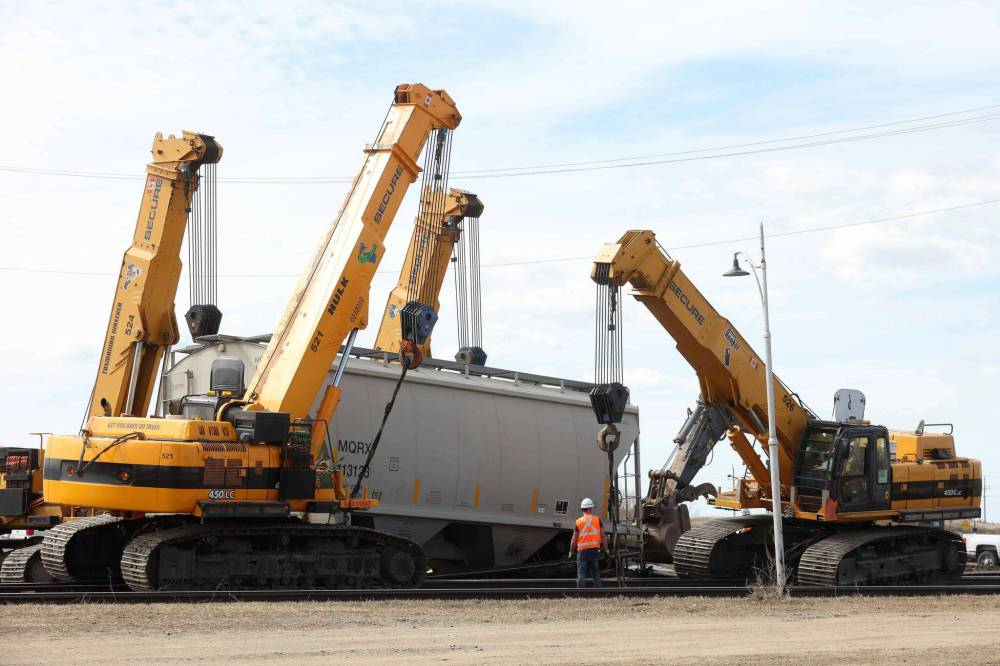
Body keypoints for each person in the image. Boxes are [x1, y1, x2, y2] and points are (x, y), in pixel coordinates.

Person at [569, 497, 607, 588]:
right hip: (594, 551)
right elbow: (603, 536)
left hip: (582, 552)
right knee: (595, 574)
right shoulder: (597, 520)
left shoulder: (578, 522)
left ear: (582, 509)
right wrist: (607, 550)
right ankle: (598, 593)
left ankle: (581, 595)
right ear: (590, 508)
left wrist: (571, 551)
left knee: (581, 574)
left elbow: (574, 539)